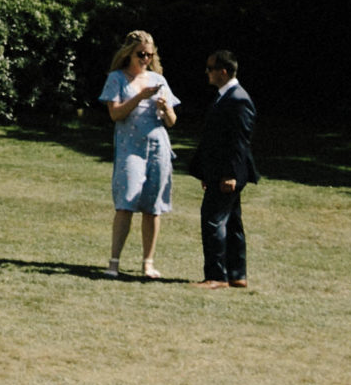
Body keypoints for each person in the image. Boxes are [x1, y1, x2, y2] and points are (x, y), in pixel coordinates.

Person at [99, 29, 179, 279]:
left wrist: (166, 108)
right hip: (130, 148)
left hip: (157, 147)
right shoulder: (117, 79)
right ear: (129, 54)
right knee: (126, 203)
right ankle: (114, 262)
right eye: (140, 54)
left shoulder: (159, 80)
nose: (145, 59)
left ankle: (148, 262)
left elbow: (172, 122)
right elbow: (115, 114)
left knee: (153, 207)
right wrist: (139, 98)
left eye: (149, 55)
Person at [193, 49, 258, 289]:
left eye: (211, 68)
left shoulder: (238, 99)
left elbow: (239, 141)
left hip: (229, 173)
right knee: (232, 222)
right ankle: (237, 274)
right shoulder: (225, 96)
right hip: (219, 171)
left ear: (223, 71)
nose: (207, 73)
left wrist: (230, 174)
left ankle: (216, 276)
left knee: (212, 220)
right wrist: (206, 172)